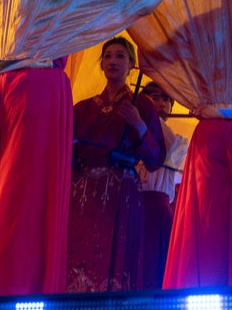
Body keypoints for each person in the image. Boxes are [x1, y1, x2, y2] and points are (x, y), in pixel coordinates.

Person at [67, 38, 165, 292]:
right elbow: (68, 158)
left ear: (131, 64)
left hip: (122, 194)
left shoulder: (141, 105)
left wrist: (139, 125)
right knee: (80, 256)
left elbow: (155, 160)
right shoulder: (82, 109)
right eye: (108, 56)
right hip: (84, 198)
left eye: (120, 56)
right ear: (101, 64)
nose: (113, 61)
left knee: (118, 260)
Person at [136, 82, 188, 289]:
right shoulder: (134, 133)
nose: (161, 103)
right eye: (154, 98)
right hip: (136, 206)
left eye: (166, 99)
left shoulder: (176, 141)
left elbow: (172, 157)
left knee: (159, 269)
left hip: (160, 208)